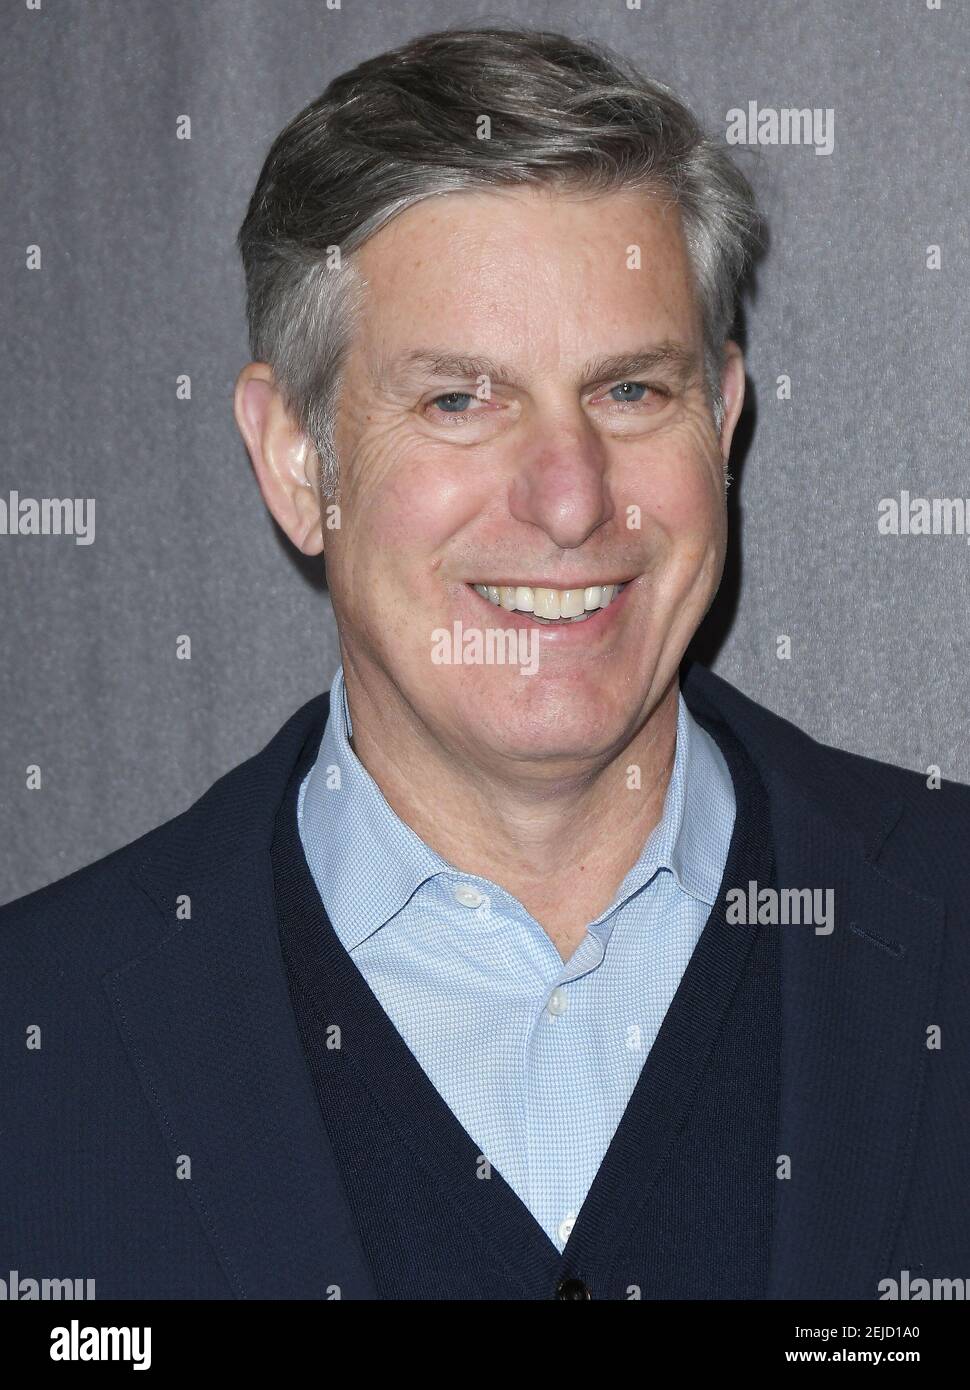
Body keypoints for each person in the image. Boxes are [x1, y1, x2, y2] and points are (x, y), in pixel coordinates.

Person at [2, 25, 968, 1302]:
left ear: (722, 423)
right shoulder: (41, 1042)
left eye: (629, 390)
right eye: (459, 399)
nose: (569, 501)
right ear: (299, 461)